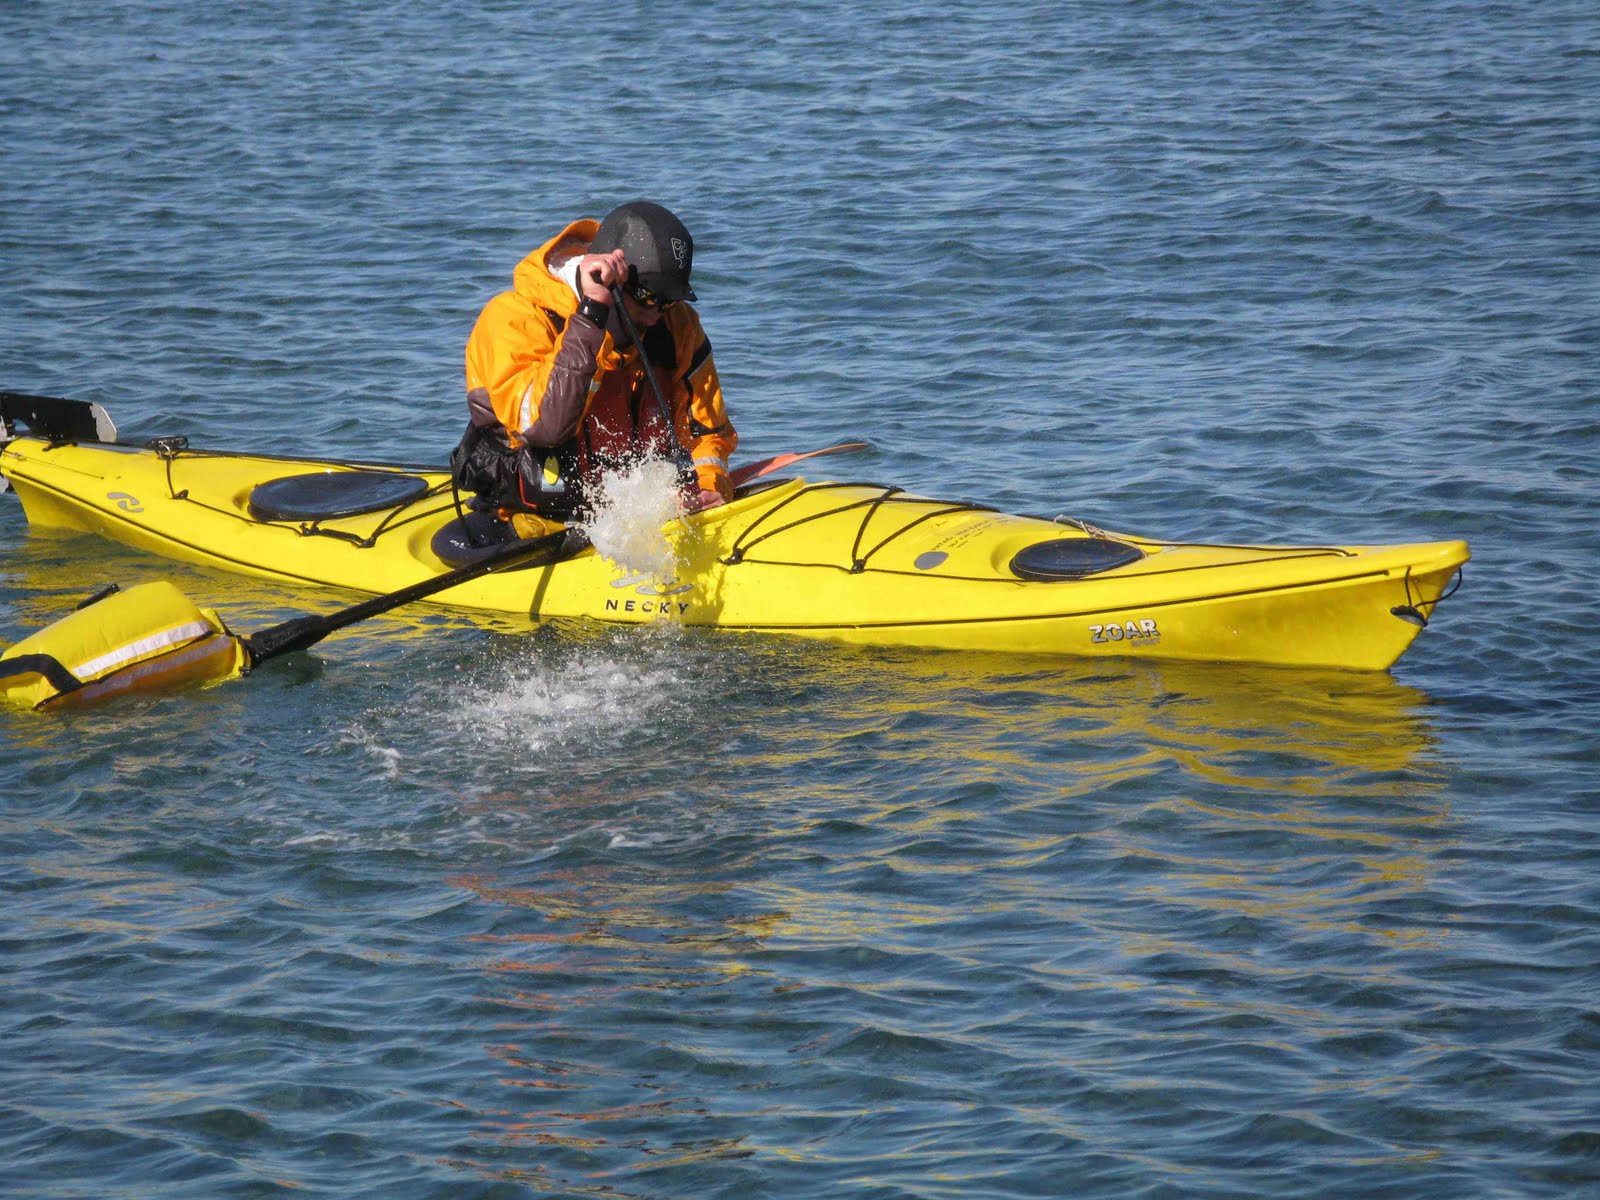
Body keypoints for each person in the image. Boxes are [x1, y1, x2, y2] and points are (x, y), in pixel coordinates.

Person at [453, 200, 737, 538]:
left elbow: (710, 434)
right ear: (614, 282)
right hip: (532, 523)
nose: (657, 314)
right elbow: (547, 427)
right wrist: (592, 317)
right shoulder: (511, 319)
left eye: (668, 301)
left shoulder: (677, 325)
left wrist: (707, 486)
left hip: (642, 518)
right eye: (647, 298)